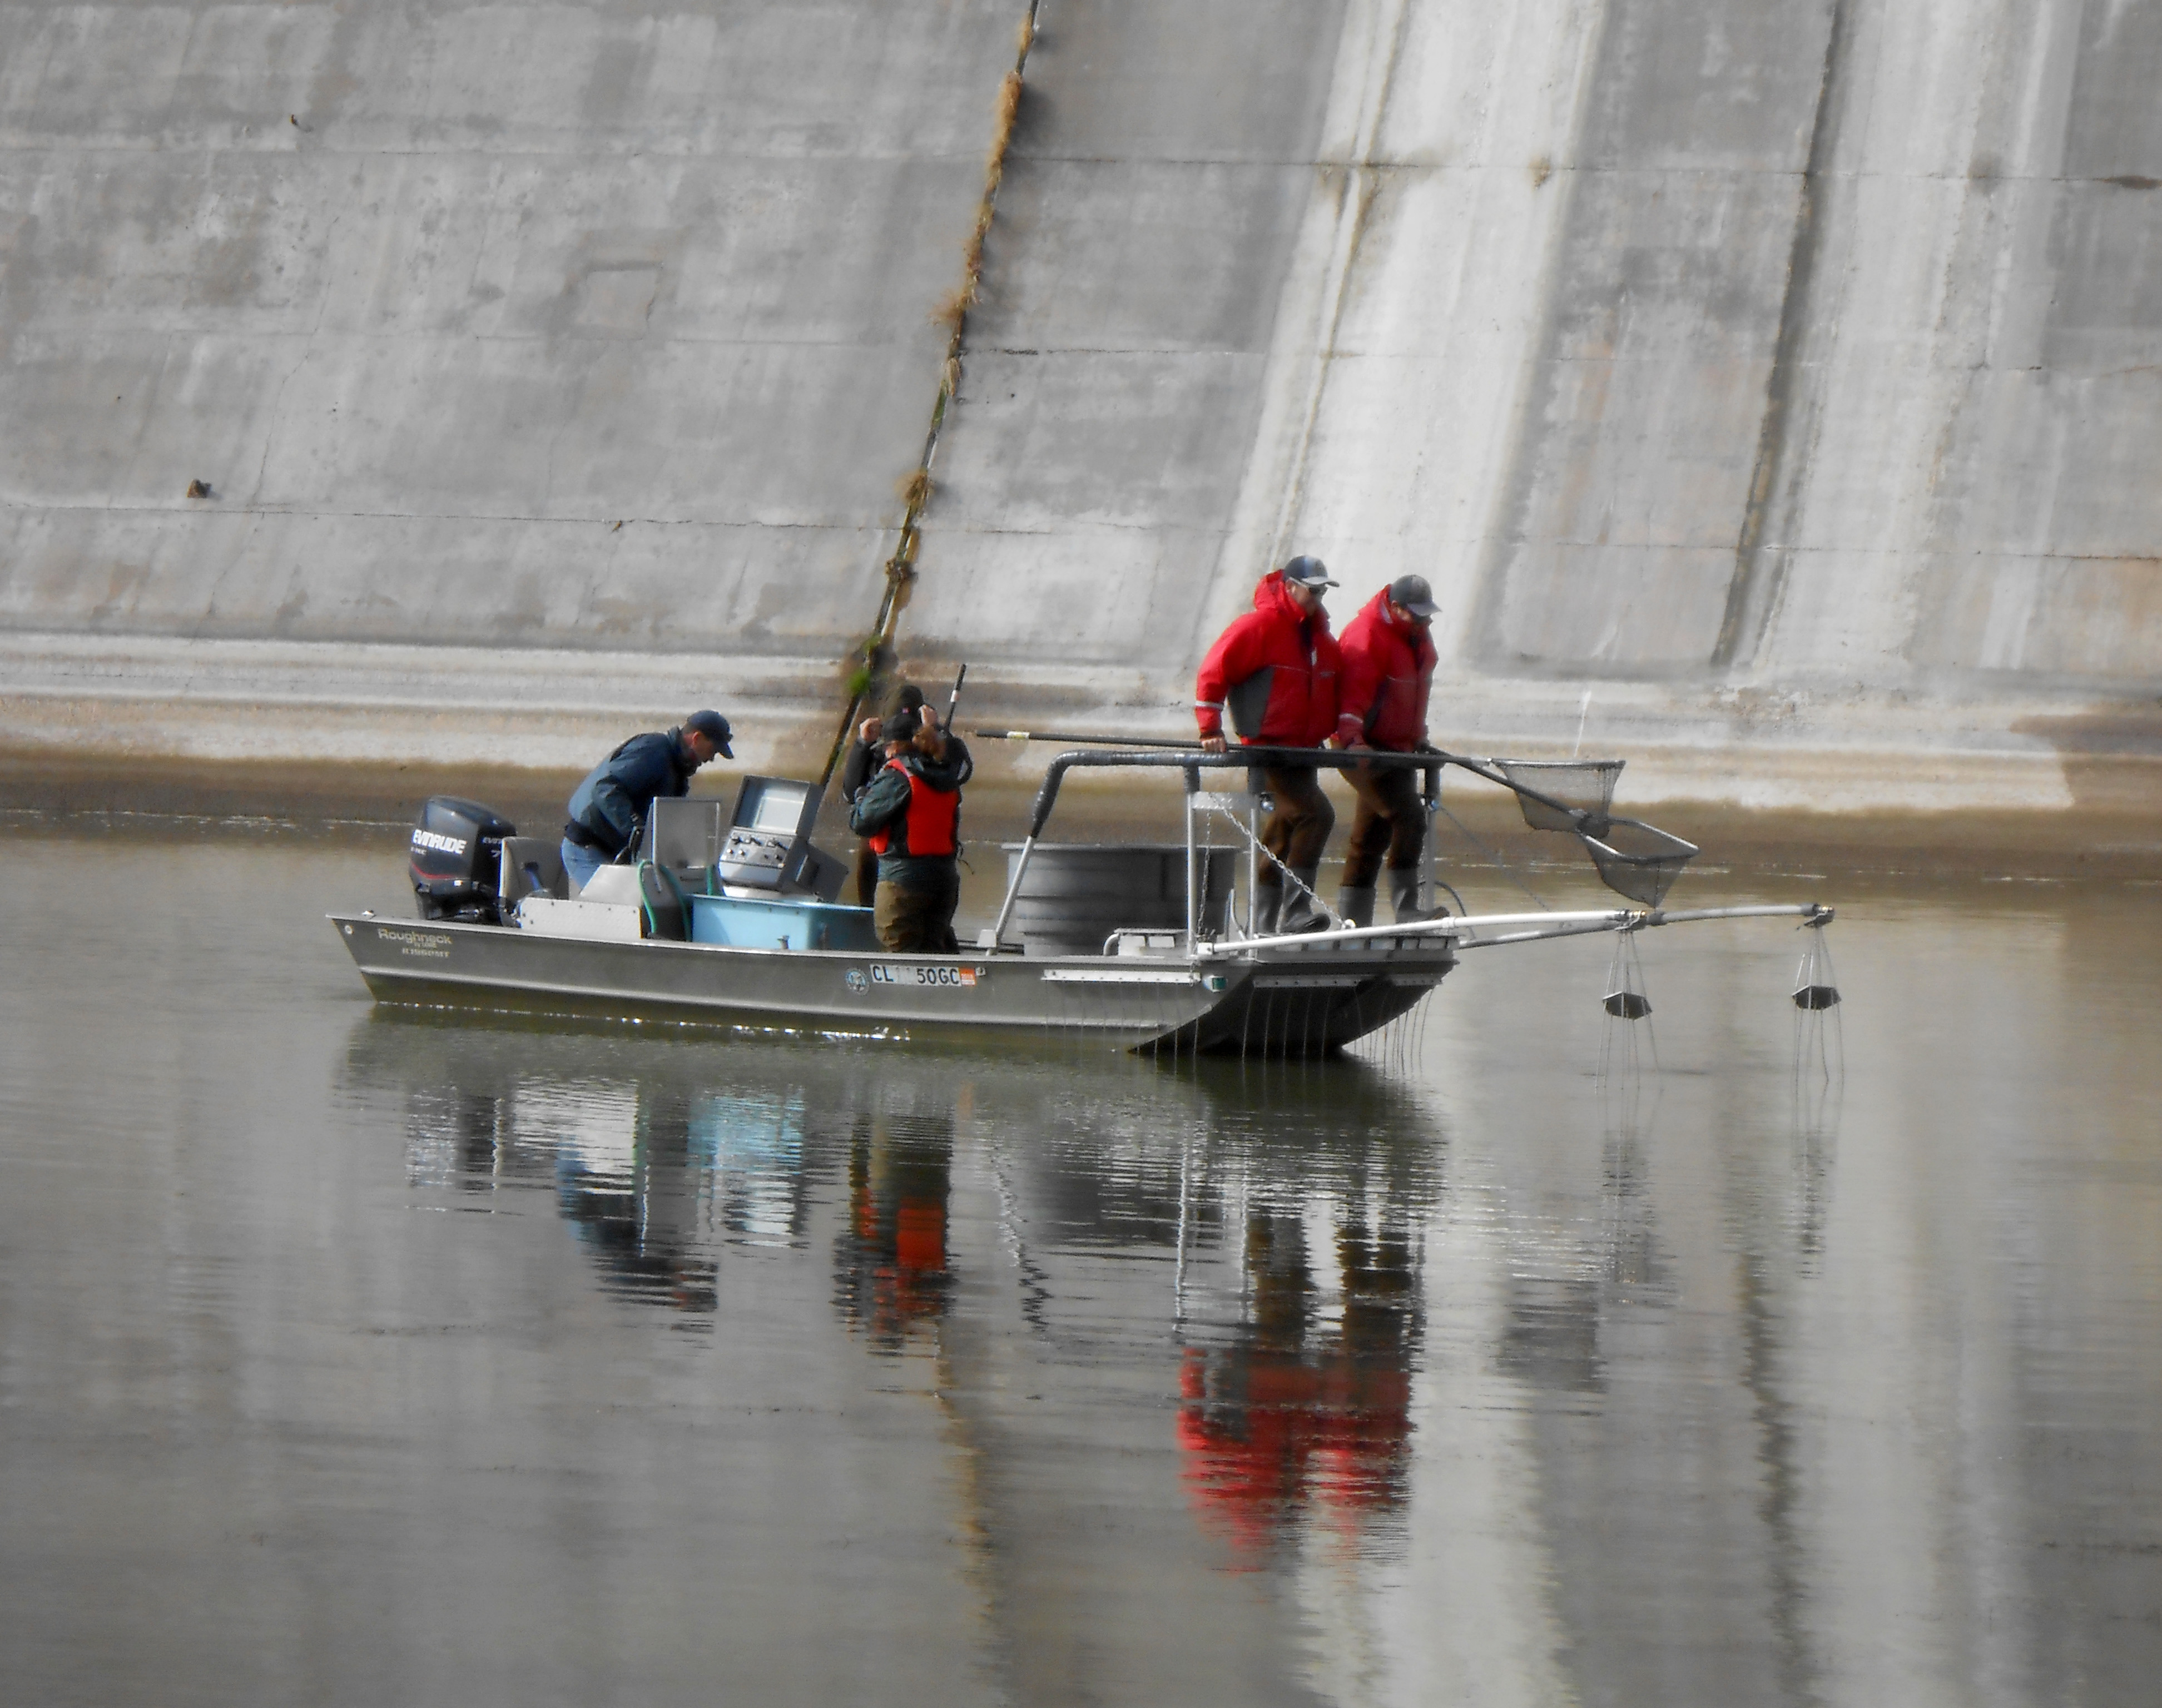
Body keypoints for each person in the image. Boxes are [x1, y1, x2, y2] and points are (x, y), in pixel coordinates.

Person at [1194, 554, 1342, 934]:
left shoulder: (1320, 637)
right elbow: (1215, 672)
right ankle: (1295, 913)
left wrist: (1341, 736)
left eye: (1323, 590)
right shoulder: (1259, 627)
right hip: (1269, 747)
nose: (1319, 597)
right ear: (1290, 587)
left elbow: (1333, 691)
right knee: (1316, 815)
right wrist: (1210, 728)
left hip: (1305, 749)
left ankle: (1262, 926)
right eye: (1313, 590)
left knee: (1284, 828)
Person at [1334, 574, 1441, 925]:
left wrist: (1418, 737)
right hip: (1364, 747)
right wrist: (1354, 741)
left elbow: (1412, 696)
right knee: (1409, 817)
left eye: (1428, 616)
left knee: (1372, 833)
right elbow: (1351, 696)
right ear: (1395, 608)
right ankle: (1407, 909)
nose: (1424, 622)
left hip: (1398, 750)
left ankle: (1353, 923)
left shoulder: (1416, 636)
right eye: (1417, 615)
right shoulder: (1366, 636)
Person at [561, 709, 732, 891]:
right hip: (586, 848)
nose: (712, 758)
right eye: (713, 750)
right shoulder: (654, 750)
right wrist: (634, 827)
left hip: (616, 853)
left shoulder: (677, 770)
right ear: (697, 738)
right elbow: (605, 789)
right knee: (616, 904)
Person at [849, 711, 967, 953]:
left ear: (893, 747)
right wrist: (939, 728)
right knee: (934, 951)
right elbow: (962, 761)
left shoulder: (898, 776)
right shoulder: (947, 773)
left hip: (903, 881)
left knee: (900, 953)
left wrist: (862, 797)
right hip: (944, 881)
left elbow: (862, 822)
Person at [841, 686, 928, 907]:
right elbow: (851, 791)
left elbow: (957, 768)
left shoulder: (932, 754)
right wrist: (863, 745)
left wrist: (935, 731)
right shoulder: (879, 751)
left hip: (913, 849)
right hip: (880, 842)